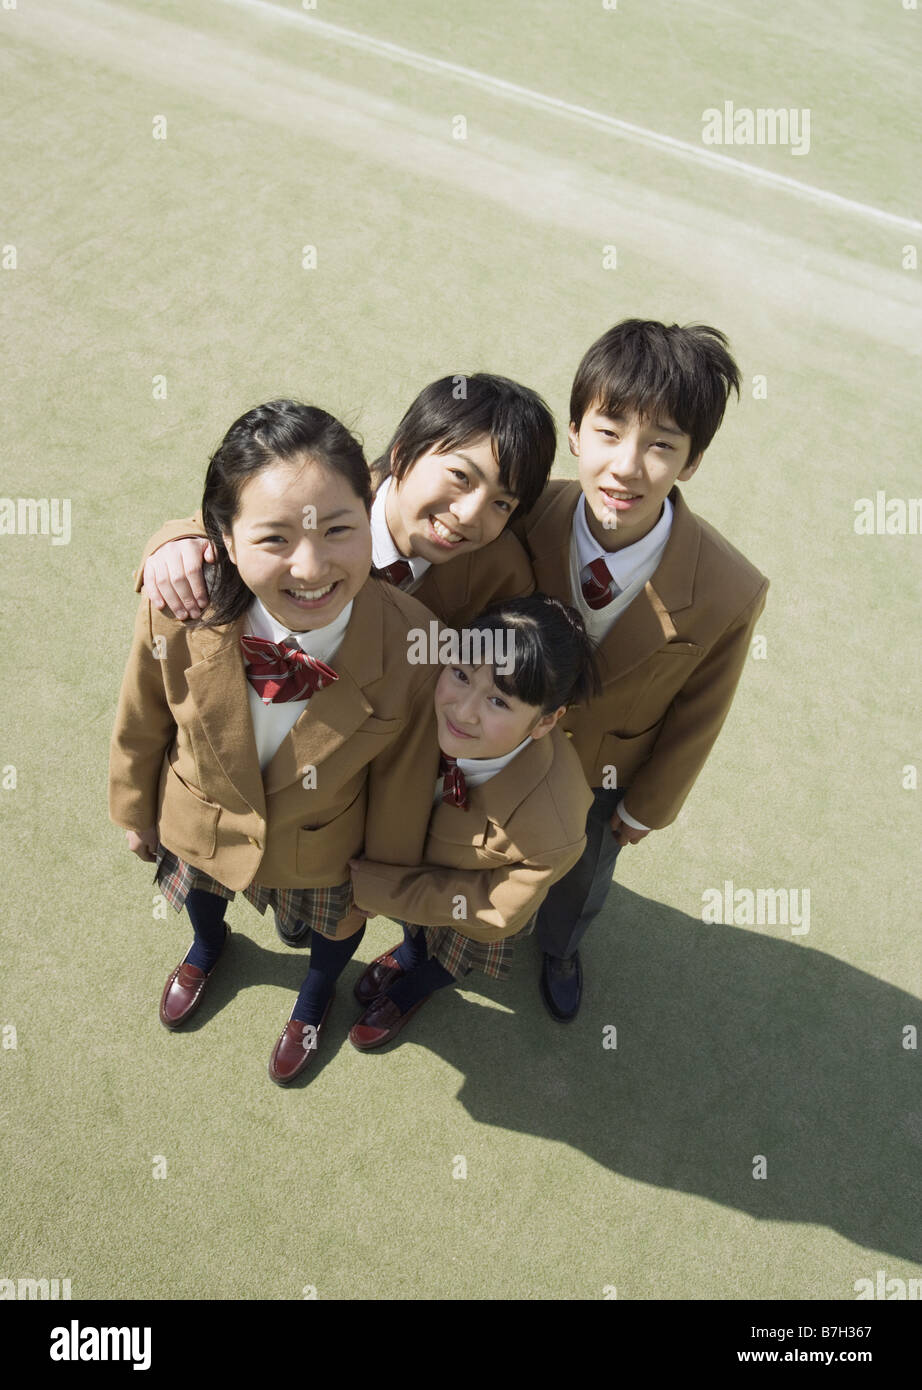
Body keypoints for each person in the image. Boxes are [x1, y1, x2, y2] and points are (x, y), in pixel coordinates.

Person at [108, 399, 440, 1085]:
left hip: (326, 847)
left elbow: (405, 782)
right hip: (196, 819)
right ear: (222, 538)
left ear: (369, 515)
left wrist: (381, 879)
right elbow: (142, 717)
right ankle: (208, 946)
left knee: (331, 935)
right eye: (275, 539)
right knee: (202, 894)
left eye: (339, 529)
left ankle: (315, 997)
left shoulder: (414, 641)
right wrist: (132, 810)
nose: (312, 568)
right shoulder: (177, 607)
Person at [509, 320, 770, 1020]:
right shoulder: (519, 507)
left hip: (603, 776)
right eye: (609, 430)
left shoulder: (729, 587)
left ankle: (560, 946)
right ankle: (447, 929)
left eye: (661, 445)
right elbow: (389, 499)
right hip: (494, 741)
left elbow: (701, 712)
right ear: (572, 432)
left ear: (692, 463)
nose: (627, 466)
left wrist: (646, 806)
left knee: (584, 875)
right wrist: (186, 538)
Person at [347, 596, 598, 1048]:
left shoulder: (555, 827)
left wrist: (383, 889)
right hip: (412, 872)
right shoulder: (417, 694)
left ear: (546, 722)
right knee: (416, 936)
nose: (462, 711)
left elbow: (495, 909)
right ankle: (408, 952)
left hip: (470, 910)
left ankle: (415, 990)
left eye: (498, 701)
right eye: (461, 674)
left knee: (451, 956)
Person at [133, 374, 556, 627]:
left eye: (503, 504)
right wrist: (177, 540)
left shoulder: (503, 577)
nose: (468, 514)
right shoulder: (327, 487)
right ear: (403, 451)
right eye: (461, 477)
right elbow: (245, 513)